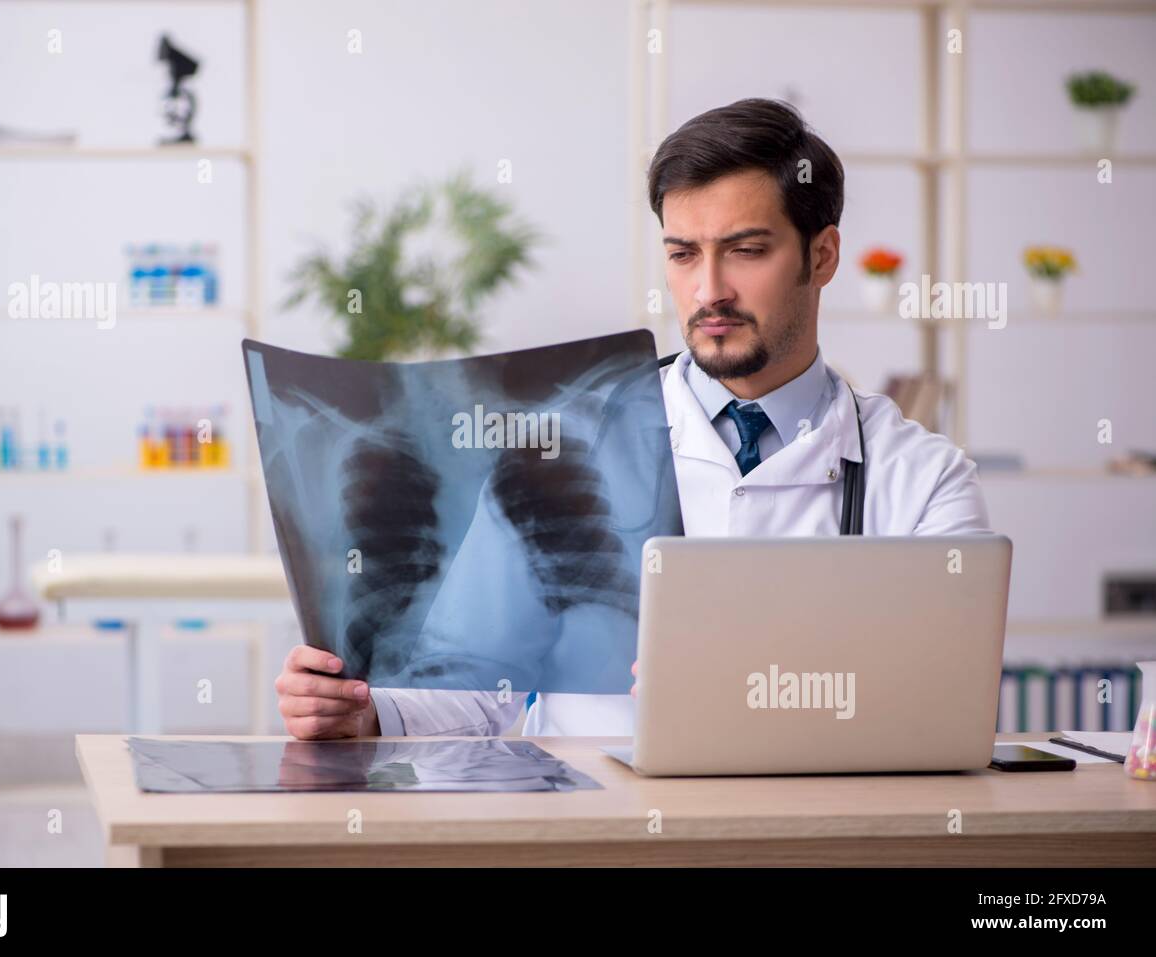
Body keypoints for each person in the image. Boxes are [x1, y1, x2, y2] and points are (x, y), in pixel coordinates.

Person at [274, 97, 992, 740]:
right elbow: (475, 684)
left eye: (746, 251)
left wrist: (774, 695)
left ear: (823, 254)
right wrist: (366, 711)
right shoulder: (562, 445)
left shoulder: (923, 479)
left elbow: (950, 707)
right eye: (683, 255)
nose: (709, 290)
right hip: (601, 837)